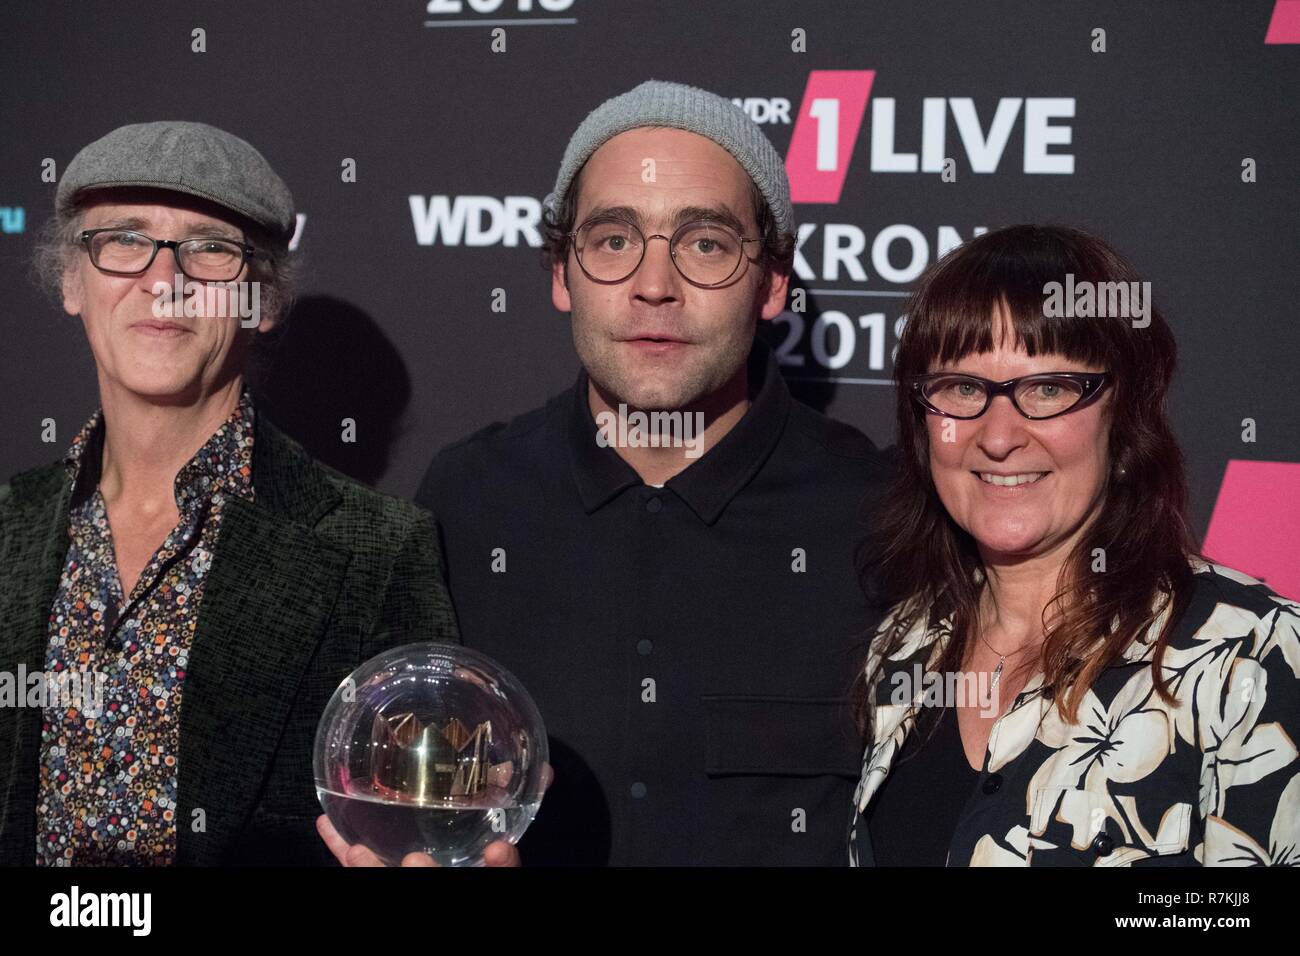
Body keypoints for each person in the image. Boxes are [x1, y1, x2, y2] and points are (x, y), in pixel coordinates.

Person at [407, 80, 894, 866]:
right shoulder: (465, 500)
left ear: (772, 283)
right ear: (562, 274)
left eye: (705, 243)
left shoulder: (883, 515)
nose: (654, 285)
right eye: (612, 240)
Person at [0, 121, 470, 866]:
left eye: (209, 248)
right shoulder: (7, 530)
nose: (165, 280)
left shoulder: (377, 553)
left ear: (265, 299)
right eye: (123, 239)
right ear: (69, 280)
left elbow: (424, 830)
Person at [848, 224, 1300, 867]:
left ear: (1125, 415)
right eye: (963, 388)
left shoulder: (1249, 654)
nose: (998, 435)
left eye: (1049, 388)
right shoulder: (902, 645)